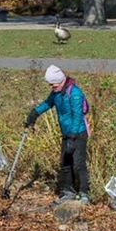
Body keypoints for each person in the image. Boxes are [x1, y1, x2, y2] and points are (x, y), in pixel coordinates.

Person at [26, 65, 91, 204]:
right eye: (51, 85)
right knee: (65, 162)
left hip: (78, 133)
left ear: (61, 81)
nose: (52, 88)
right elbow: (48, 103)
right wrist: (35, 113)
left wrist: (73, 136)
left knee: (78, 164)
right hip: (66, 133)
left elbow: (77, 116)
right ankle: (68, 191)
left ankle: (84, 193)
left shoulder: (75, 93)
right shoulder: (56, 93)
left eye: (53, 85)